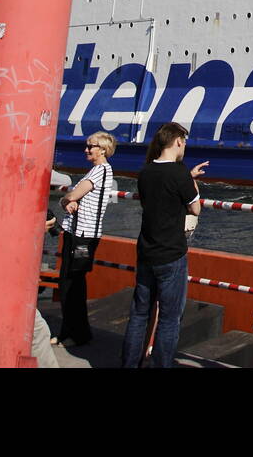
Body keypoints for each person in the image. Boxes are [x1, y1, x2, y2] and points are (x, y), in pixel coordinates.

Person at [120, 123, 208, 368]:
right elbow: (195, 208)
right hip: (171, 254)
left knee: (139, 314)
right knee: (169, 319)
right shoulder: (179, 173)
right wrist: (192, 182)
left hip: (146, 251)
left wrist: (186, 178)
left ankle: (129, 364)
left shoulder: (145, 172)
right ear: (178, 141)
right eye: (185, 143)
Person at [52, 132, 116, 347]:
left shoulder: (100, 171)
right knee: (70, 284)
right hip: (77, 233)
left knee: (72, 285)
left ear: (103, 149)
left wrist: (66, 199)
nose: (86, 149)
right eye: (87, 146)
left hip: (83, 236)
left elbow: (72, 195)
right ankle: (68, 332)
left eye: (91, 146)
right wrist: (68, 200)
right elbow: (72, 197)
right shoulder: (97, 170)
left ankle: (77, 334)